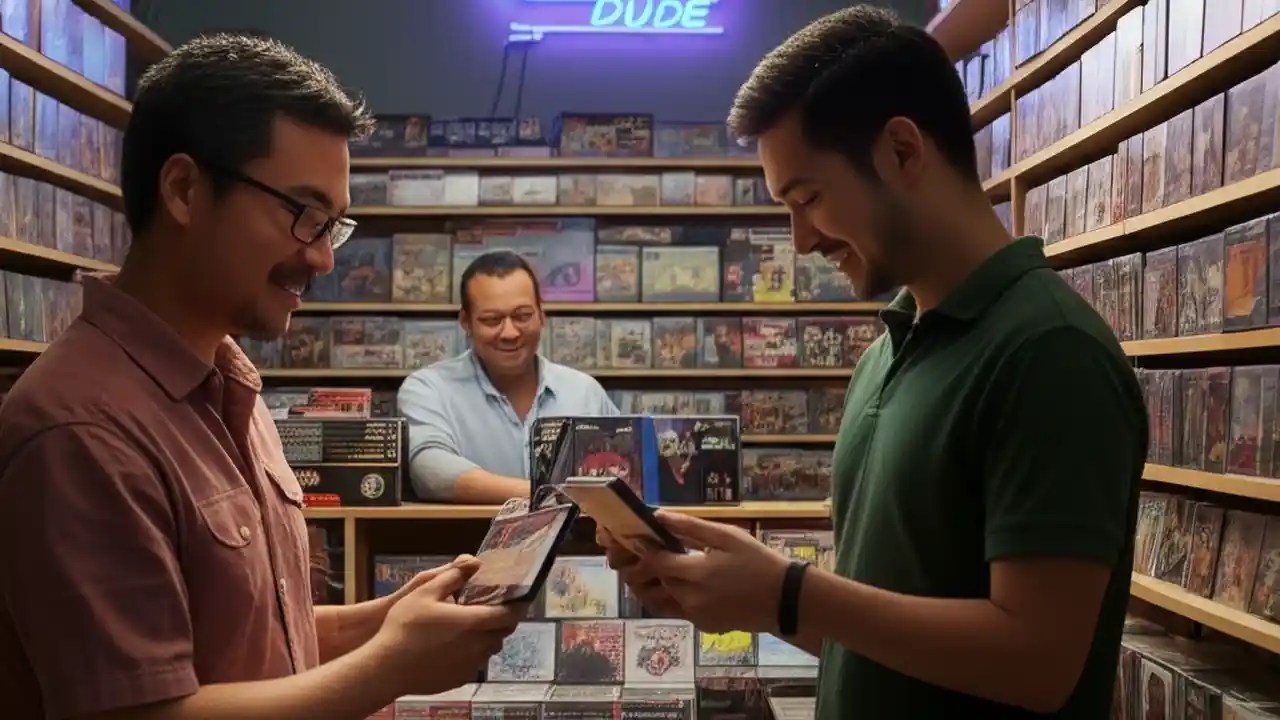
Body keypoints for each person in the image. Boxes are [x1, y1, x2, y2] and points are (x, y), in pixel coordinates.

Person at [598, 6, 1147, 719]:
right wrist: (744, 600)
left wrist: (790, 593)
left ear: (902, 151)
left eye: (809, 198)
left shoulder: (1050, 352)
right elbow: (886, 639)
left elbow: (1039, 663)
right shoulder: (888, 352)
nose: (799, 242)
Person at [0, 34, 524, 720]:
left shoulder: (228, 387)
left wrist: (385, 620)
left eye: (332, 226)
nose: (323, 260)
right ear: (186, 189)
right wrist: (390, 665)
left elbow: (247, 636)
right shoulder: (80, 432)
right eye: (303, 215)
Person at [397, 251, 619, 505]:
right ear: (465, 322)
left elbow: (628, 470)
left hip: (576, 544)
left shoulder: (584, 392)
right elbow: (431, 473)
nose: (510, 332)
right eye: (492, 320)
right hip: (467, 543)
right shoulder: (428, 389)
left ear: (541, 315)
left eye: (522, 316)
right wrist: (547, 494)